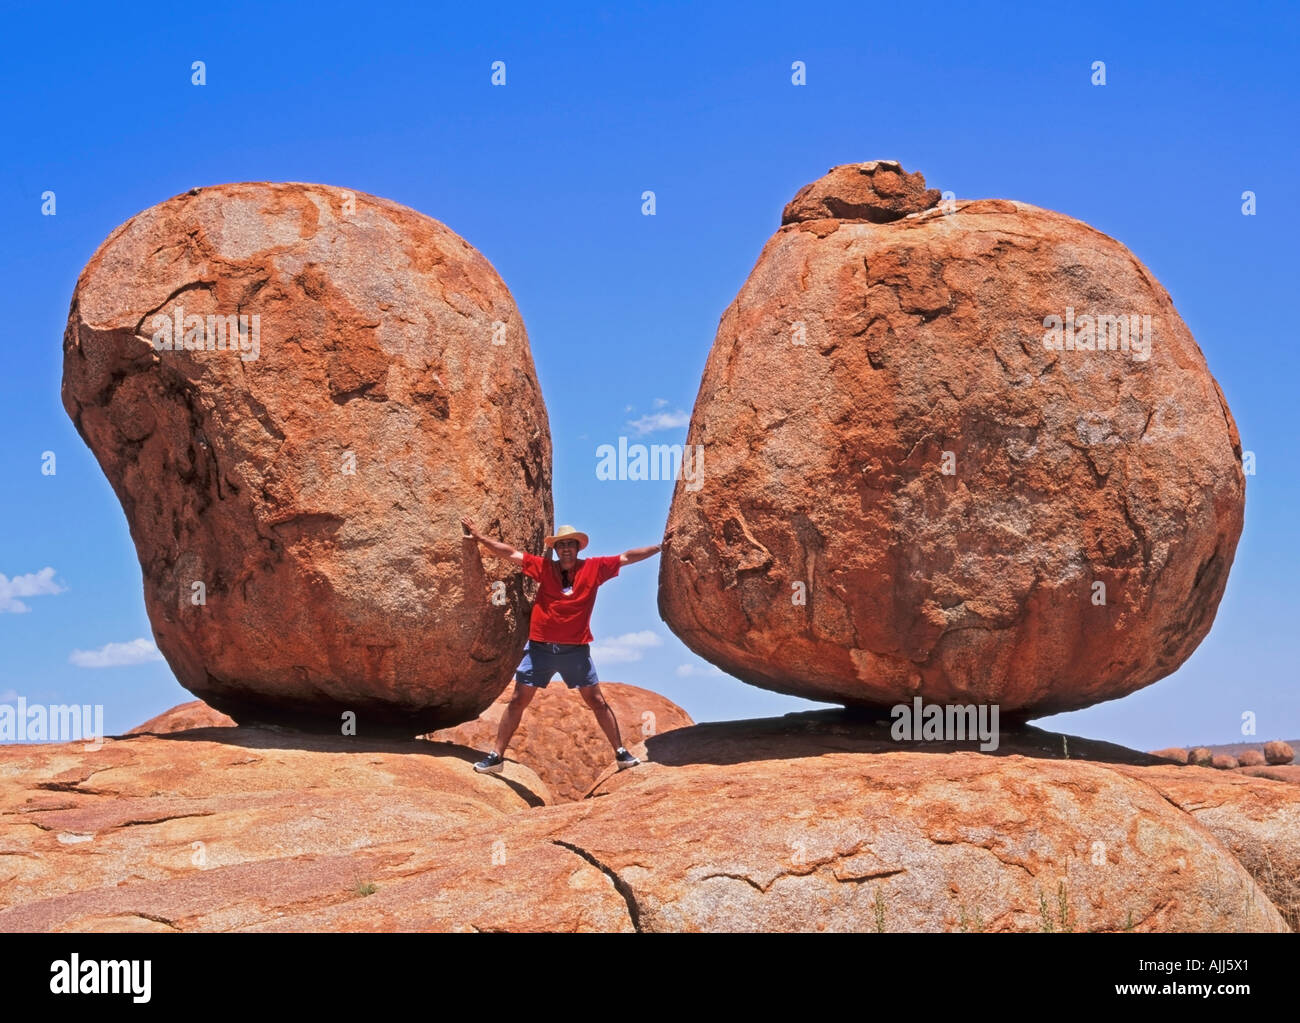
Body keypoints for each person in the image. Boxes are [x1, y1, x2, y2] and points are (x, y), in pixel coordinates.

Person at [459, 517, 669, 775]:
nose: (566, 549)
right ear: (555, 550)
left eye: (570, 544)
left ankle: (621, 753)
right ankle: (496, 756)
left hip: (576, 651)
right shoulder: (544, 568)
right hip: (540, 650)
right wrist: (481, 539)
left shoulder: (594, 568)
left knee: (597, 701)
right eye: (561, 545)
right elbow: (511, 554)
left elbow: (626, 557)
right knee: (517, 701)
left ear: (578, 548)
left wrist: (660, 547)